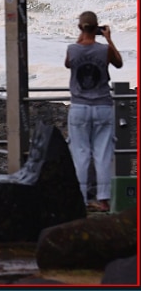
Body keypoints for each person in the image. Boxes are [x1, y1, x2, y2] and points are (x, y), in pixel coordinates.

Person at [65, 11, 123, 212]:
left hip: (79, 107)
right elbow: (119, 63)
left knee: (80, 154)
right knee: (103, 153)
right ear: (97, 27)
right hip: (103, 106)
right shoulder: (104, 50)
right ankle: (103, 199)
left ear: (81, 28)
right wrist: (109, 39)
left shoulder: (73, 49)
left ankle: (80, 199)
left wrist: (81, 36)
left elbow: (68, 64)